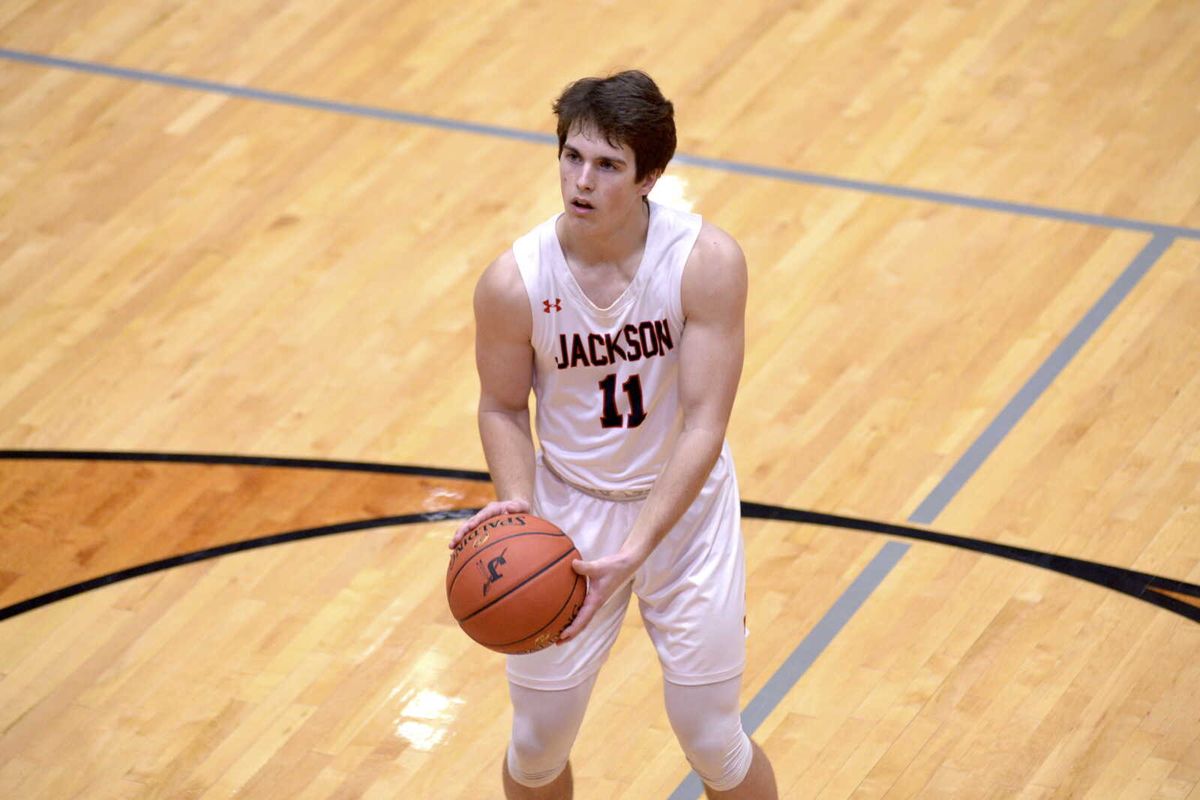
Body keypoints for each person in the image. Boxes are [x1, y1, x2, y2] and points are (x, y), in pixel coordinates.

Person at [450, 70, 778, 800]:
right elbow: (501, 407)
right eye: (572, 156)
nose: (582, 180)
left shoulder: (705, 263)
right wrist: (519, 510)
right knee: (536, 749)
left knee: (713, 742)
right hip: (570, 514)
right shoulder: (513, 283)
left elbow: (705, 424)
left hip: (683, 508)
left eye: (607, 165)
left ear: (650, 177)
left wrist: (638, 547)